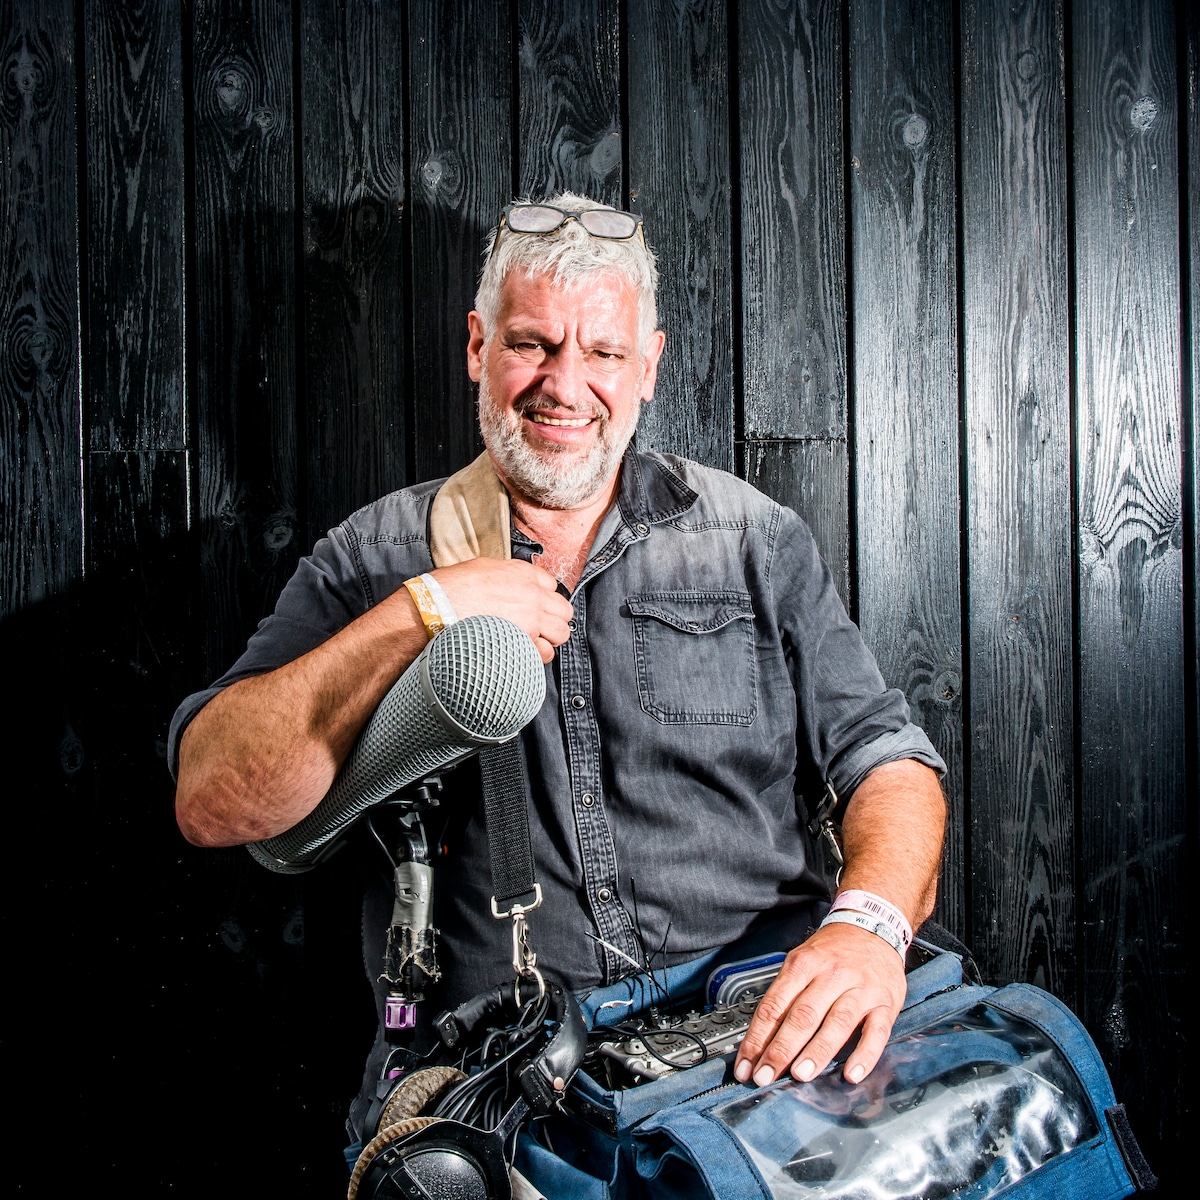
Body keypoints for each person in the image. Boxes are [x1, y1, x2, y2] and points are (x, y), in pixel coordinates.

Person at [170, 193, 946, 1145]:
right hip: (503, 1090)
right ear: (477, 347)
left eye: (604, 353)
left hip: (760, 1058)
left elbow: (887, 761)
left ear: (648, 366)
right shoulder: (373, 558)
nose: (565, 385)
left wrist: (868, 928)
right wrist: (422, 610)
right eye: (532, 344)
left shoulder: (754, 540)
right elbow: (212, 801)